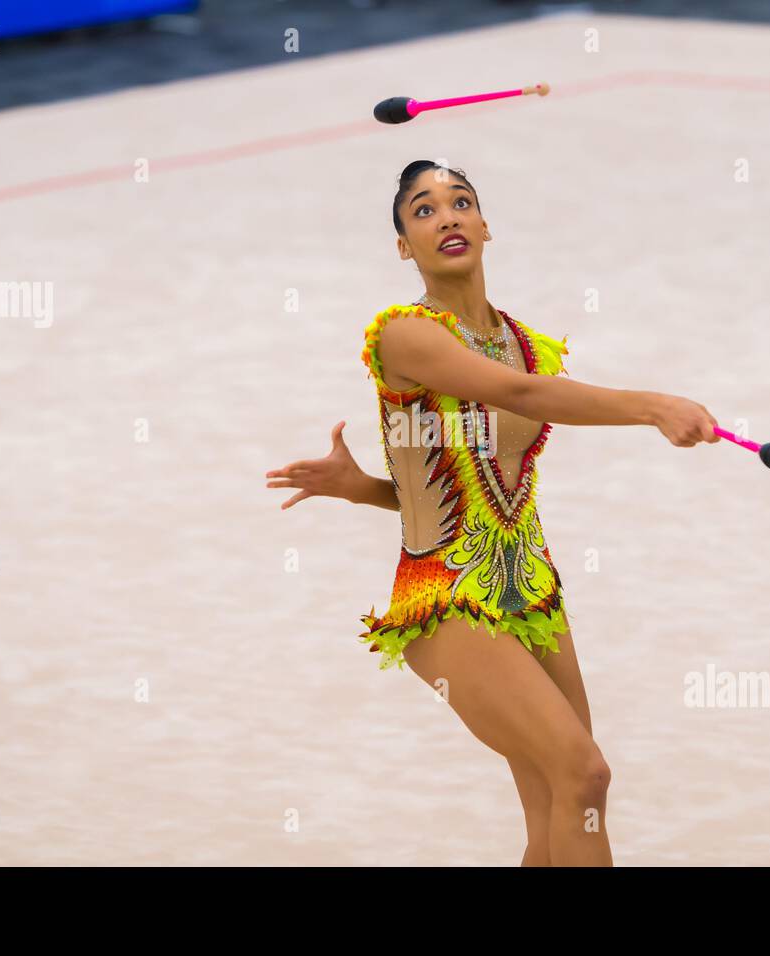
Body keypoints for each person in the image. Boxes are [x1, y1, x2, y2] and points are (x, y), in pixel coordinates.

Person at [266, 160, 719, 866]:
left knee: (560, 804)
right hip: (445, 598)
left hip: (531, 590)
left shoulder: (528, 343)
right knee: (585, 771)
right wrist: (653, 406)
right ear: (403, 247)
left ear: (484, 225)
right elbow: (524, 397)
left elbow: (476, 474)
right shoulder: (406, 334)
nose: (446, 216)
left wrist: (366, 488)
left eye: (461, 202)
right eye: (422, 210)